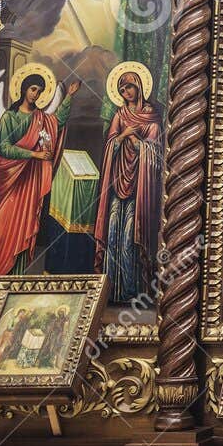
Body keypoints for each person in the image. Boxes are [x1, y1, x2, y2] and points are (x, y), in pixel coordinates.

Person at [0, 69, 80, 288]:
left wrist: (70, 96)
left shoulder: (41, 119)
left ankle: (12, 284)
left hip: (29, 185)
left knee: (24, 233)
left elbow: (57, 123)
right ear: (24, 89)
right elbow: (3, 148)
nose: (36, 94)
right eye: (34, 89)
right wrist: (33, 154)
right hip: (8, 182)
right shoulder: (10, 117)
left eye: (40, 91)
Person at [92, 66, 163, 305]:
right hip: (117, 185)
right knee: (113, 231)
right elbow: (110, 145)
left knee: (132, 234)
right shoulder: (119, 115)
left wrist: (135, 140)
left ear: (139, 87)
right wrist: (123, 137)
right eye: (122, 89)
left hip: (139, 189)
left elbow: (155, 153)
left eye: (129, 87)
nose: (126, 92)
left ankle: (132, 291)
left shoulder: (152, 117)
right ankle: (111, 288)